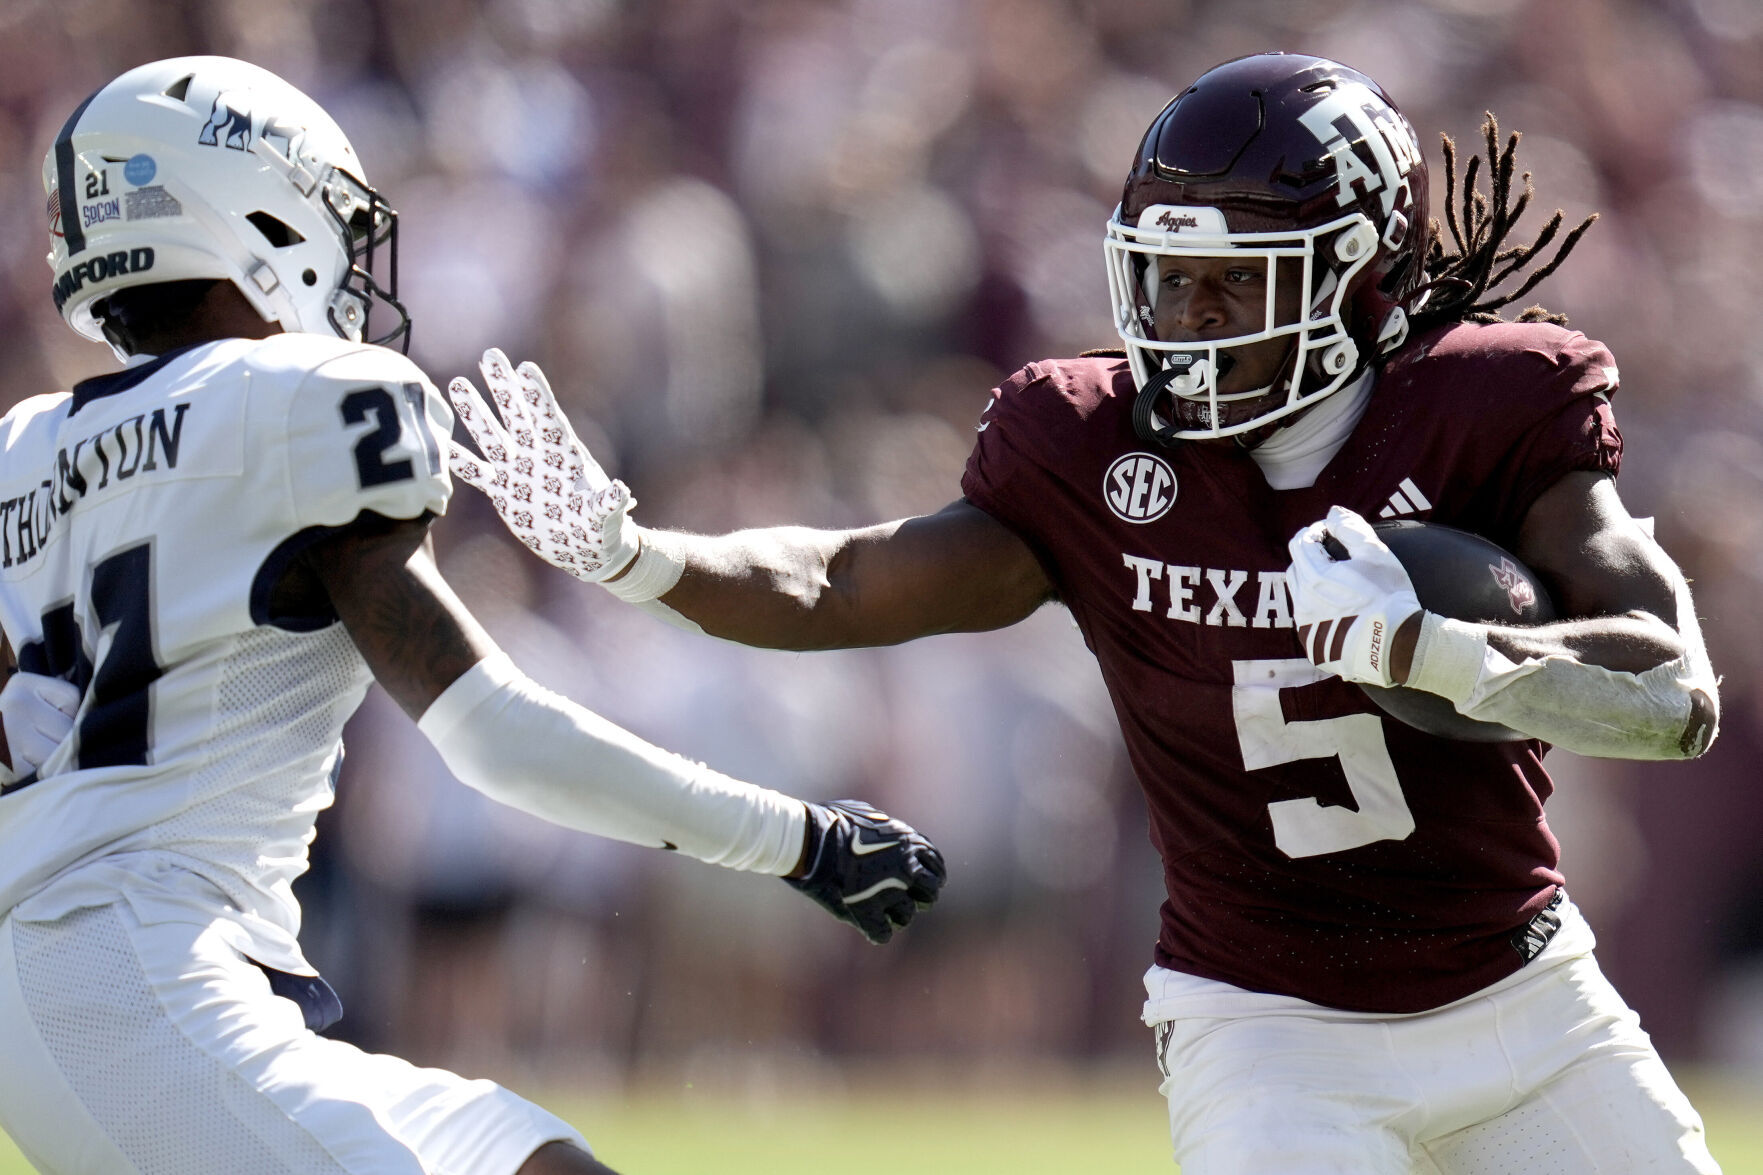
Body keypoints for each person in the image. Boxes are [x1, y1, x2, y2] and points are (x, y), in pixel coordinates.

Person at [450, 52, 1724, 1174]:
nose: (1181, 326)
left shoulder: (1490, 407)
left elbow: (1674, 692)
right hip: (1267, 1025)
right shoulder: (1092, 447)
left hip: (1516, 991)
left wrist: (1432, 653)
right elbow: (847, 579)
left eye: (1227, 288)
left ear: (1358, 281)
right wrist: (636, 555)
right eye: (1164, 284)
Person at [0, 55, 945, 1175]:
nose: (349, 265)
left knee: (540, 1158)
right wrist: (796, 838)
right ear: (249, 212)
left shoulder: (23, 447)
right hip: (143, 979)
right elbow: (486, 729)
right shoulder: (300, 402)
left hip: (84, 975)